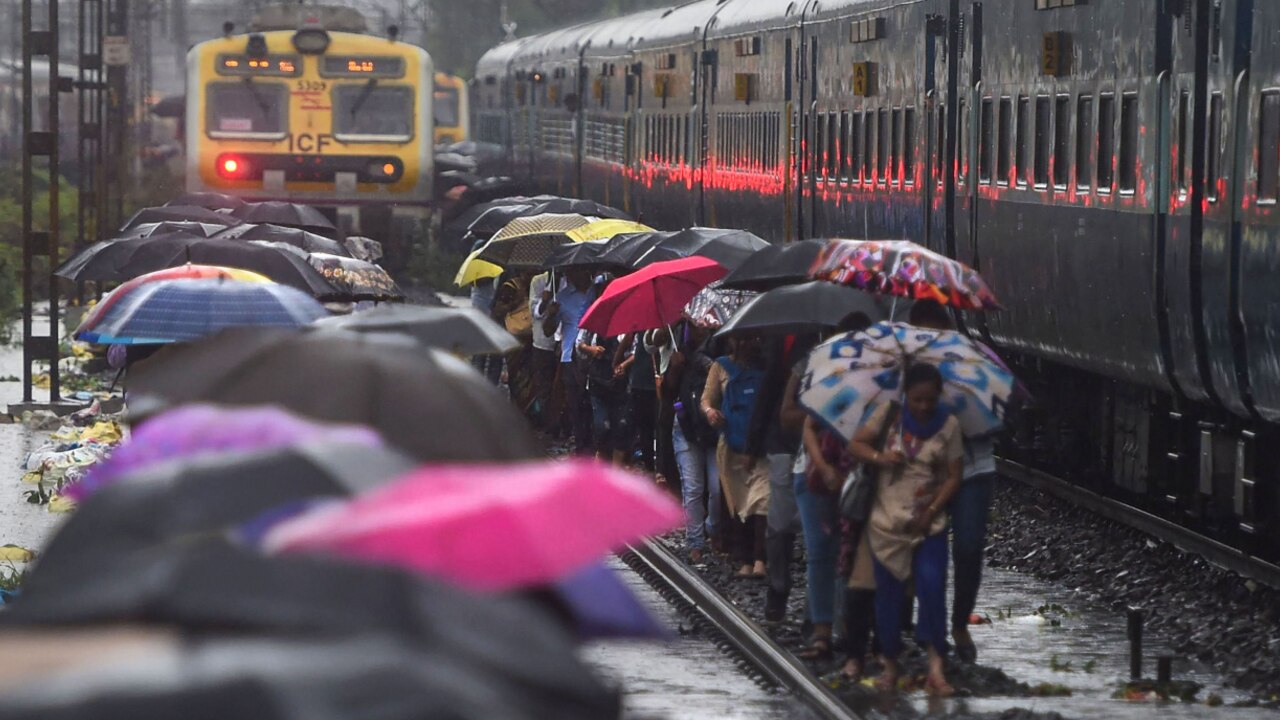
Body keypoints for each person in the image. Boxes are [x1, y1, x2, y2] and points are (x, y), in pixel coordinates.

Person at [849, 363, 963, 696]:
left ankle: (935, 669)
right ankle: (889, 664)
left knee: (931, 588)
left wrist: (932, 510)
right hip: (886, 523)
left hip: (929, 523)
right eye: (917, 400)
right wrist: (879, 457)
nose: (924, 407)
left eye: (930, 400)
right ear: (905, 396)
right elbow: (855, 445)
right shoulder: (888, 415)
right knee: (887, 598)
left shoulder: (950, 426)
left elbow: (954, 475)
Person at [907, 298, 993, 664]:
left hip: (973, 467)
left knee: (969, 547)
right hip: (927, 472)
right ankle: (932, 628)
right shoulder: (906, 370)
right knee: (929, 552)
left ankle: (959, 623)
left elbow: (995, 412)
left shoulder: (972, 361)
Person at [701, 335, 770, 579]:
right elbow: (707, 398)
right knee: (739, 503)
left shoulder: (766, 366)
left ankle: (760, 558)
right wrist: (711, 412)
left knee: (762, 501)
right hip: (730, 446)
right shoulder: (720, 366)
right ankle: (746, 558)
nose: (743, 343)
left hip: (762, 446)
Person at [667, 325, 722, 563]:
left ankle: (712, 527)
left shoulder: (719, 353)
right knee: (693, 487)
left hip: (713, 429)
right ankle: (696, 541)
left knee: (717, 488)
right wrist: (674, 367)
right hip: (686, 426)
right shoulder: (681, 353)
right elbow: (667, 392)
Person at [537, 269, 597, 455]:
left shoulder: (598, 292)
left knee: (592, 402)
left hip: (595, 354)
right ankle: (581, 446)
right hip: (570, 356)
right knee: (575, 403)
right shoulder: (562, 297)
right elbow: (548, 330)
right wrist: (552, 314)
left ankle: (595, 445)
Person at [577, 328, 628, 465]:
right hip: (598, 384)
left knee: (620, 428)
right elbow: (580, 344)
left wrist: (623, 365)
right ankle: (600, 461)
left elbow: (635, 352)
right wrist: (591, 349)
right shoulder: (594, 325)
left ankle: (615, 471)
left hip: (620, 386)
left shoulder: (627, 328)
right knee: (602, 426)